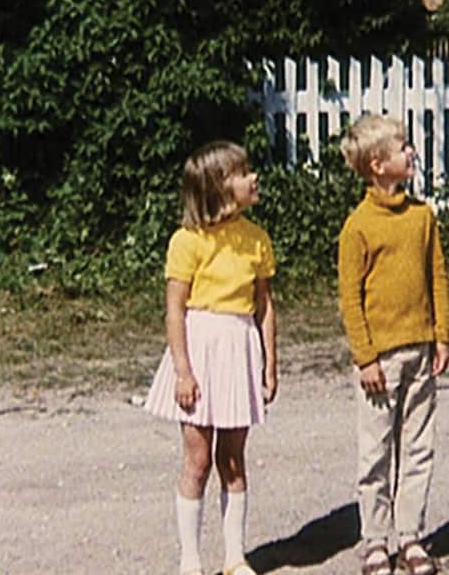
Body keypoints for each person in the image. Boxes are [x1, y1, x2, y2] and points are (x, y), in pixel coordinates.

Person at [144, 140, 278, 575]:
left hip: (239, 349)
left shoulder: (256, 239)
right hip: (200, 350)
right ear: (219, 187)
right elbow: (175, 310)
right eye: (243, 173)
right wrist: (183, 371)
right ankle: (190, 559)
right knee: (198, 460)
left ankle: (235, 557)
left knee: (233, 460)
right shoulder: (187, 242)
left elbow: (264, 305)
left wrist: (270, 362)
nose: (254, 177)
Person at [338, 114, 449, 575]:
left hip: (421, 350)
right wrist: (365, 357)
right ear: (377, 164)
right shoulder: (358, 227)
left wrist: (441, 334)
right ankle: (375, 540)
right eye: (402, 147)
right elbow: (350, 298)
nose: (411, 152)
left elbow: (437, 277)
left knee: (418, 446)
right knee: (376, 451)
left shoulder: (422, 217)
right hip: (379, 361)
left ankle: (410, 536)